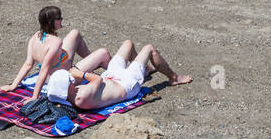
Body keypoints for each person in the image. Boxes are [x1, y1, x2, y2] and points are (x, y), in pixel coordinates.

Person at [48, 38, 192, 113]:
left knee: (128, 44)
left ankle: (145, 69)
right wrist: (81, 74)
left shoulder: (70, 93)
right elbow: (96, 78)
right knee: (149, 48)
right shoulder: (80, 97)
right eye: (69, 81)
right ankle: (174, 78)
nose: (72, 80)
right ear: (66, 88)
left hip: (111, 77)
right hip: (126, 85)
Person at [0, 6, 96, 101]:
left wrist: (13, 85)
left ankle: (91, 59)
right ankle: (109, 78)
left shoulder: (36, 36)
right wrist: (35, 97)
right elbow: (43, 70)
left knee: (75, 33)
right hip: (61, 79)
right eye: (59, 18)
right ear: (51, 22)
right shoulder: (56, 42)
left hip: (54, 72)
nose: (61, 20)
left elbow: (28, 64)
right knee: (103, 53)